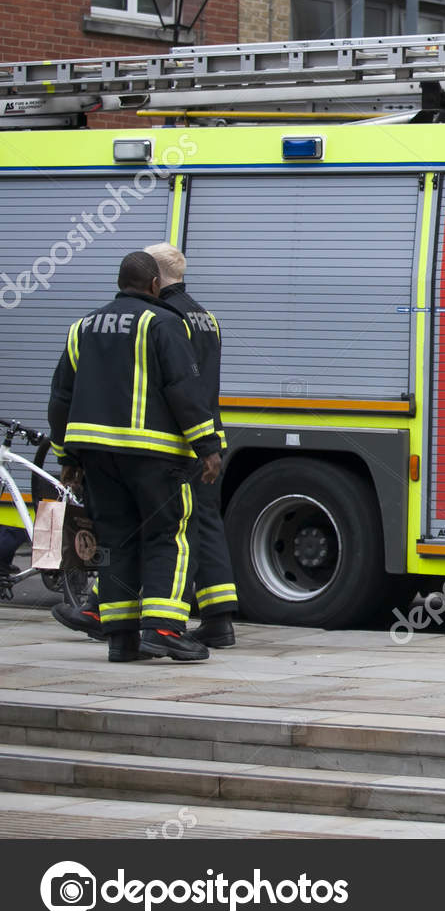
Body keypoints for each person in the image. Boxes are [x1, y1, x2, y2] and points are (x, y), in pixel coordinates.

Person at [47, 252, 222, 663]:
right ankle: (163, 628)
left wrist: (65, 454)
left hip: (96, 457)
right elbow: (184, 389)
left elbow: (61, 398)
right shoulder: (162, 324)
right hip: (154, 455)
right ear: (155, 285)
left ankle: (121, 640)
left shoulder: (83, 327)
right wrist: (207, 447)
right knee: (169, 535)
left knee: (115, 541)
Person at [147, 242, 237, 647]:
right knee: (205, 525)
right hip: (210, 435)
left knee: (165, 531)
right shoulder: (206, 317)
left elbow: (178, 386)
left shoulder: (165, 319)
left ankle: (153, 618)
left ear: (153, 277)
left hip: (181, 442)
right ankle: (219, 621)